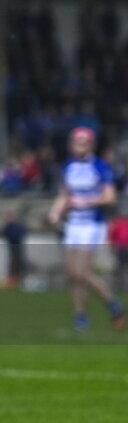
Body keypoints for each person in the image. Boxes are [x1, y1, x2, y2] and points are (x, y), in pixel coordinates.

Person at [47, 126, 125, 331]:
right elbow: (65, 195)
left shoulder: (100, 167)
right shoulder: (68, 167)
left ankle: (112, 303)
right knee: (74, 274)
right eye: (75, 141)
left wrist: (87, 201)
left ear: (91, 144)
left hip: (92, 223)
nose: (78, 145)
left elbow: (110, 196)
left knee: (82, 273)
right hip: (74, 223)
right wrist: (55, 212)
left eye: (82, 142)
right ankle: (80, 315)